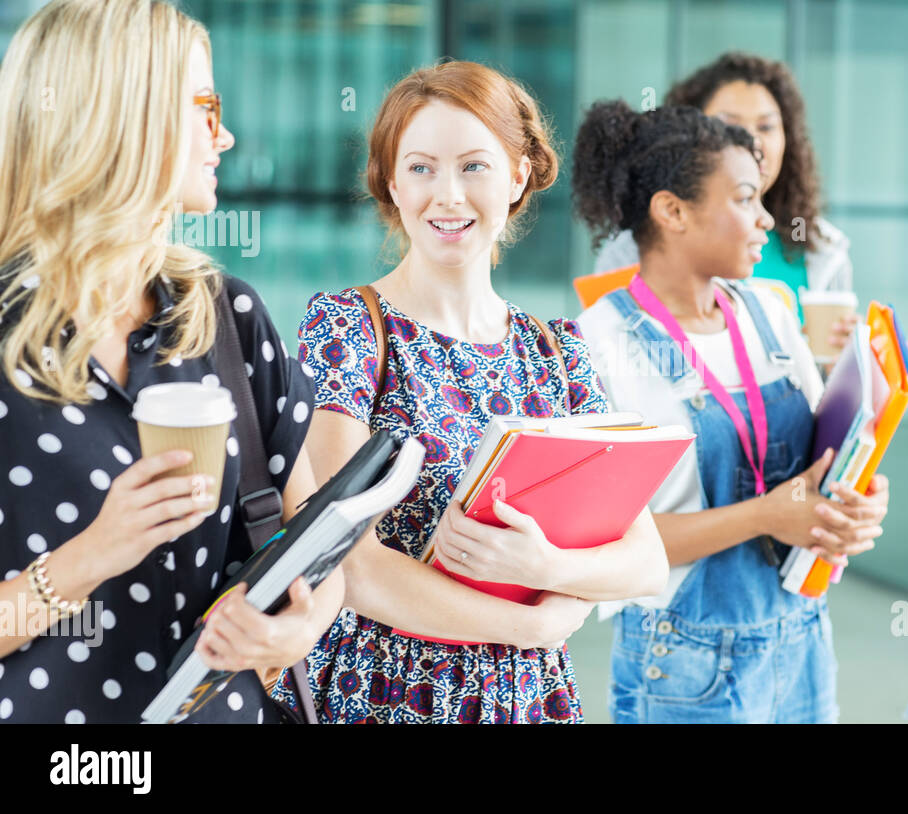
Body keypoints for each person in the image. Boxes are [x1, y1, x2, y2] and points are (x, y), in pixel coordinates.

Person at [280, 61, 668, 724]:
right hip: (383, 697)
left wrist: (547, 566)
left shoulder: (557, 352)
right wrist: (529, 627)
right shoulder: (347, 328)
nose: (448, 196)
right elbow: (351, 564)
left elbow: (646, 561)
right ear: (393, 183)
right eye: (422, 167)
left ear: (519, 175)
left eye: (474, 166)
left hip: (526, 702)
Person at [0, 0, 341, 724]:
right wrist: (93, 554)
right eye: (206, 109)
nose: (227, 136)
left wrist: (297, 626)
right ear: (129, 117)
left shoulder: (229, 317)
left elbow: (309, 538)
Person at [572, 100, 889, 724]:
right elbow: (607, 542)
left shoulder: (768, 310)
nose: (766, 219)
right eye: (745, 199)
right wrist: (767, 516)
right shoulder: (597, 342)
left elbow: (824, 454)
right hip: (683, 663)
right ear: (672, 211)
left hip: (802, 641)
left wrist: (857, 498)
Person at [593, 52, 856, 353]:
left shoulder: (823, 249)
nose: (751, 142)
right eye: (728, 126)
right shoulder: (635, 247)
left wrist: (849, 367)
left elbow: (826, 388)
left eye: (767, 126)